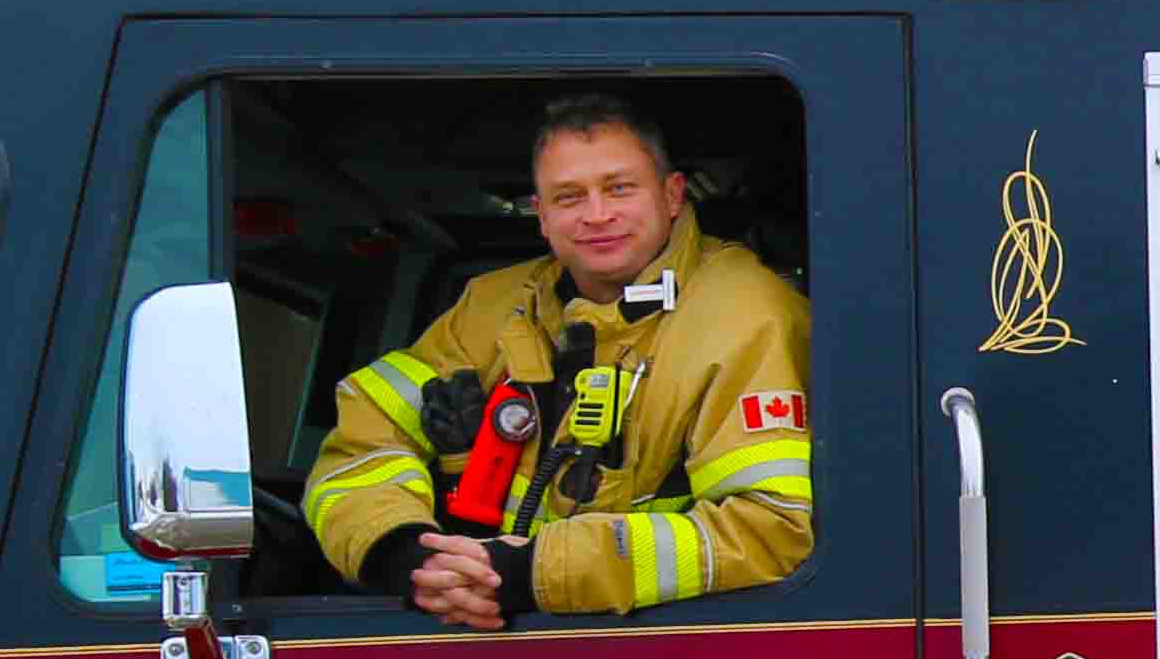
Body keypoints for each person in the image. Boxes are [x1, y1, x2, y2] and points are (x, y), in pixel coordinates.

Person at [305, 90, 814, 627]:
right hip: (484, 626)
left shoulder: (750, 314)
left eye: (619, 188)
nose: (598, 215)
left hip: (665, 650)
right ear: (541, 216)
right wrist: (405, 554)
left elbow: (771, 529)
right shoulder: (491, 304)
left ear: (672, 195)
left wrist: (533, 572)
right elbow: (360, 444)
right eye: (569, 197)